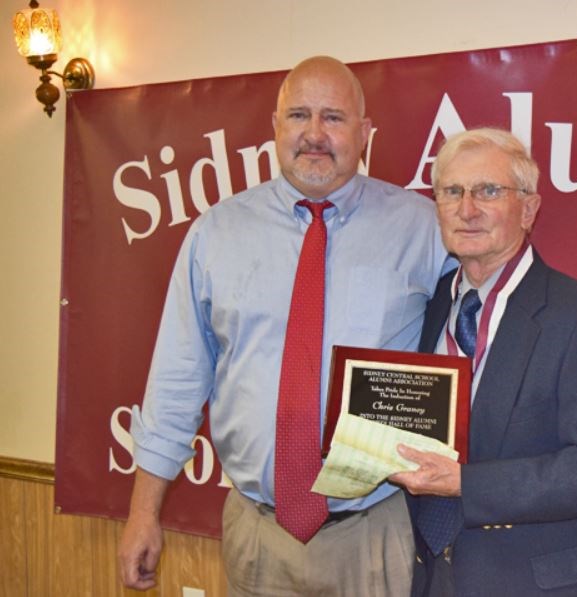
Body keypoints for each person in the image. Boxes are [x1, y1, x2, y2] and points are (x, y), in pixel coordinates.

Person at [117, 56, 449, 596]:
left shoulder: (423, 228)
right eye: (299, 115)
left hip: (373, 534)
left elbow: (481, 342)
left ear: (365, 134)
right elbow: (177, 380)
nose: (314, 135)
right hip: (256, 534)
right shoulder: (216, 235)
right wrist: (142, 513)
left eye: (334, 118)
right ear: (275, 127)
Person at [389, 128, 577, 596]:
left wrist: (465, 483)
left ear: (528, 209)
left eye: (488, 190)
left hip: (535, 584)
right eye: (452, 192)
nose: (467, 209)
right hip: (430, 578)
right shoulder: (427, 313)